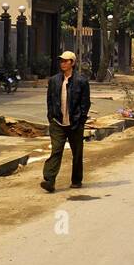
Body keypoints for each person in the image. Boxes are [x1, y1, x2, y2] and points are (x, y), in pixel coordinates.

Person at [42, 50, 91, 192]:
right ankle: (49, 180)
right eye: (61, 61)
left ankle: (76, 180)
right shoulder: (54, 81)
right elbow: (50, 100)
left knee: (77, 153)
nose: (63, 63)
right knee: (56, 150)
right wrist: (51, 117)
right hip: (57, 122)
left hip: (75, 123)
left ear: (72, 63)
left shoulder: (81, 81)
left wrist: (81, 119)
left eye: (66, 61)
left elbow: (85, 103)